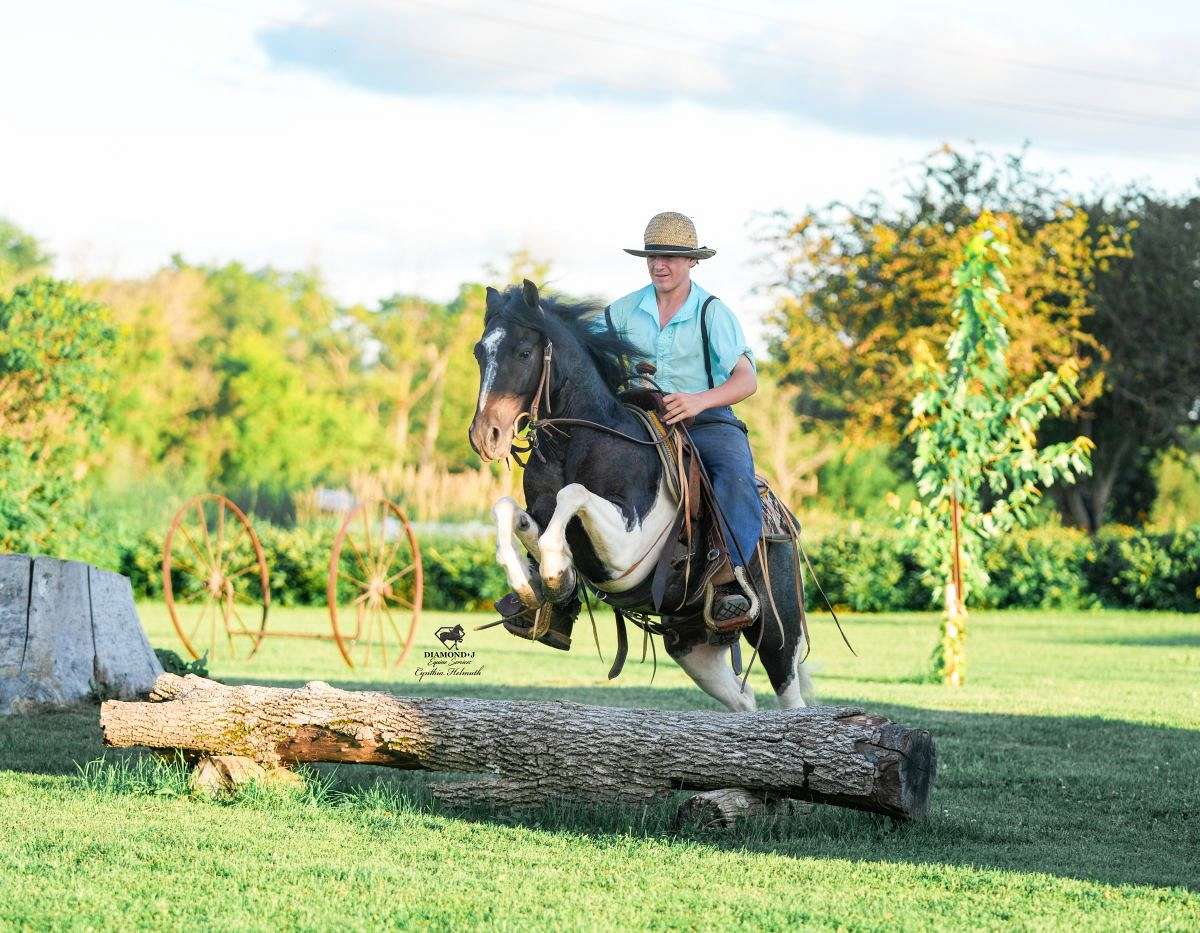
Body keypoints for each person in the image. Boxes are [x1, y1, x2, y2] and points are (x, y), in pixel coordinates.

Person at [606, 211, 762, 626]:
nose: (660, 265)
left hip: (705, 422)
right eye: (653, 256)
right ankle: (553, 583)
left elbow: (746, 380)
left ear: (692, 260)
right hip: (637, 421)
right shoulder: (620, 312)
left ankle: (729, 582)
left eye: (671, 257)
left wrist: (698, 401)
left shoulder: (712, 312)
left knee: (734, 474)